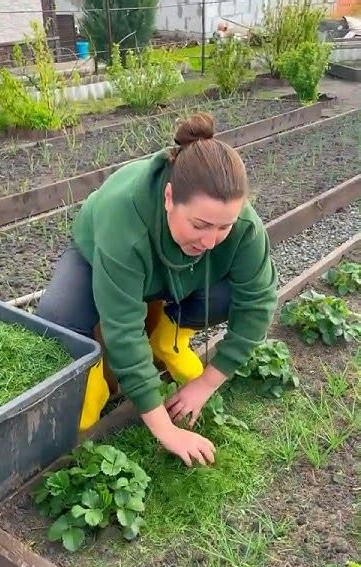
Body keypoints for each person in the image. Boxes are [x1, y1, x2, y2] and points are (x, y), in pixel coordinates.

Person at [36, 112, 277, 467]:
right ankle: (94, 377)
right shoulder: (125, 219)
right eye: (200, 224)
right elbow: (122, 328)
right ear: (168, 198)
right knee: (57, 318)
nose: (211, 240)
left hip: (178, 274)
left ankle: (168, 337)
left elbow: (259, 303)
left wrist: (206, 383)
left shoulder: (243, 227)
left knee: (229, 297)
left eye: (223, 227)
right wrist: (166, 430)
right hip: (99, 256)